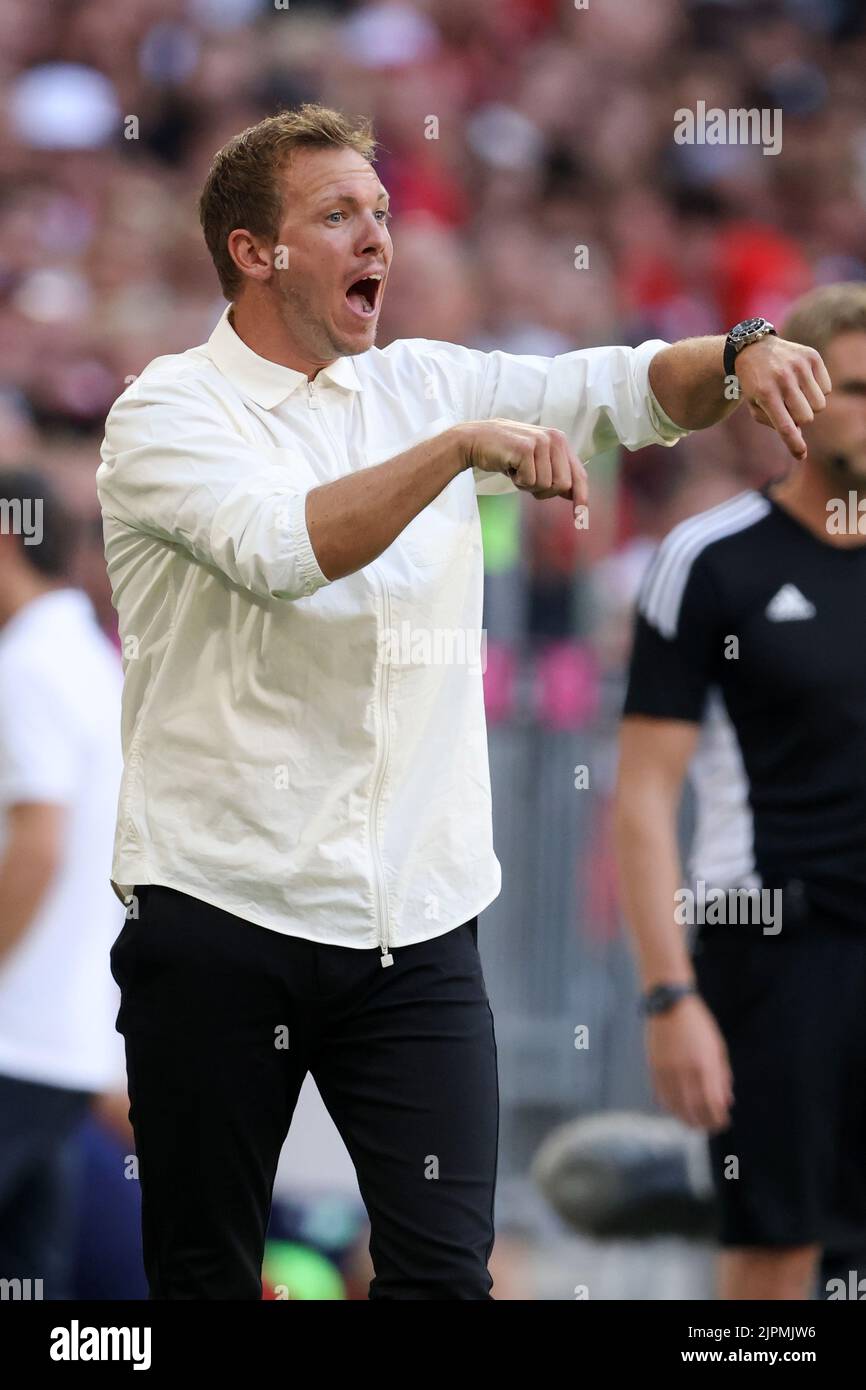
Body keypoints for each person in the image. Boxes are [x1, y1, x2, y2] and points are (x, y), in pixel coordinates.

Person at [97, 103, 829, 1301]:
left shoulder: (427, 380)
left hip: (415, 925)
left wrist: (742, 345)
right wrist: (453, 451)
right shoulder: (166, 412)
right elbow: (281, 549)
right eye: (336, 216)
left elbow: (632, 386)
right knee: (204, 1278)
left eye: (379, 212)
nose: (374, 235)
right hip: (221, 909)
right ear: (251, 251)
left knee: (445, 1280)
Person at [615, 282, 866, 1301]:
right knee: (773, 1256)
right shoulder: (709, 561)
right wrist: (668, 996)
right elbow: (638, 798)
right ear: (791, 399)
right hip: (775, 958)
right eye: (852, 387)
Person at [0, 468, 125, 1299]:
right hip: (65, 1043)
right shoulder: (91, 662)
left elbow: (39, 846)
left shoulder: (28, 667)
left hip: (13, 1037)